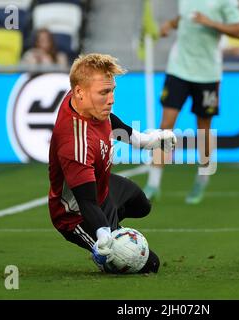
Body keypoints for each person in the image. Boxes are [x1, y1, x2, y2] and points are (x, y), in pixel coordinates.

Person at [48, 53, 176, 273]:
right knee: (149, 265)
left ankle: (112, 228)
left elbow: (111, 121)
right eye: (104, 93)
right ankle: (104, 245)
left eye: (112, 90)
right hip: (76, 214)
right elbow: (86, 202)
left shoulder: (83, 98)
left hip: (102, 187)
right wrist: (103, 234)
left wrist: (146, 141)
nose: (111, 99)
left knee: (142, 206)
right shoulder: (75, 143)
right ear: (79, 92)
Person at [143, 0, 239, 204]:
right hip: (178, 68)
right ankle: (153, 183)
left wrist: (211, 23)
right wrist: (170, 25)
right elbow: (186, 16)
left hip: (207, 73)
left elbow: (238, 31)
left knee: (204, 129)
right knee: (166, 126)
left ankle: (202, 177)